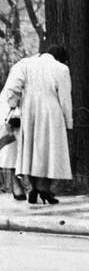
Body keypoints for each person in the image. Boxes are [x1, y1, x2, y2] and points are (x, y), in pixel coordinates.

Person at [1, 41, 73, 205]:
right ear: (60, 58)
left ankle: (34, 186)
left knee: (31, 150)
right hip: (51, 111)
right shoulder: (61, 69)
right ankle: (44, 187)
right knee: (50, 151)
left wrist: (14, 105)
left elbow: (13, 88)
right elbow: (65, 98)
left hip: (29, 110)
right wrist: (68, 122)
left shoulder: (27, 64)